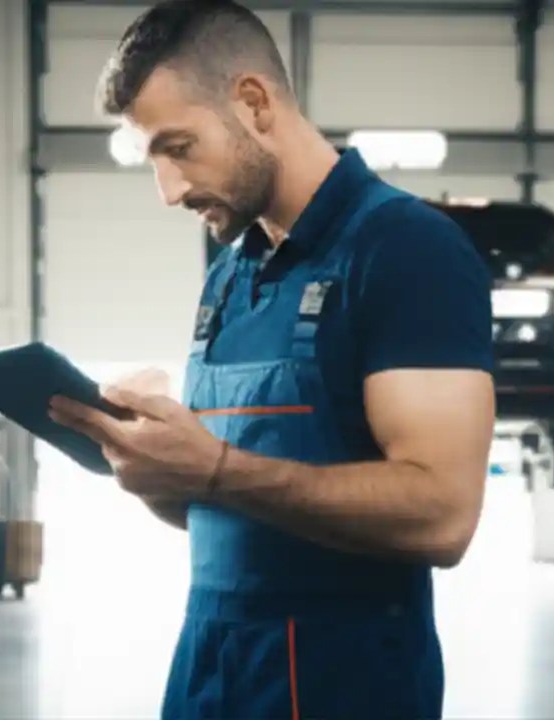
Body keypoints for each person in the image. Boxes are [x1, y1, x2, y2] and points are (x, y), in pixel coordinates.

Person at [49, 1, 496, 717]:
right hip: (209, 673)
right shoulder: (229, 276)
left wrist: (217, 469)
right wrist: (153, 467)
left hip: (342, 685)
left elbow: (443, 515)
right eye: (153, 158)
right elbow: (220, 508)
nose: (168, 191)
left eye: (179, 147)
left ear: (253, 103)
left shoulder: (407, 250)